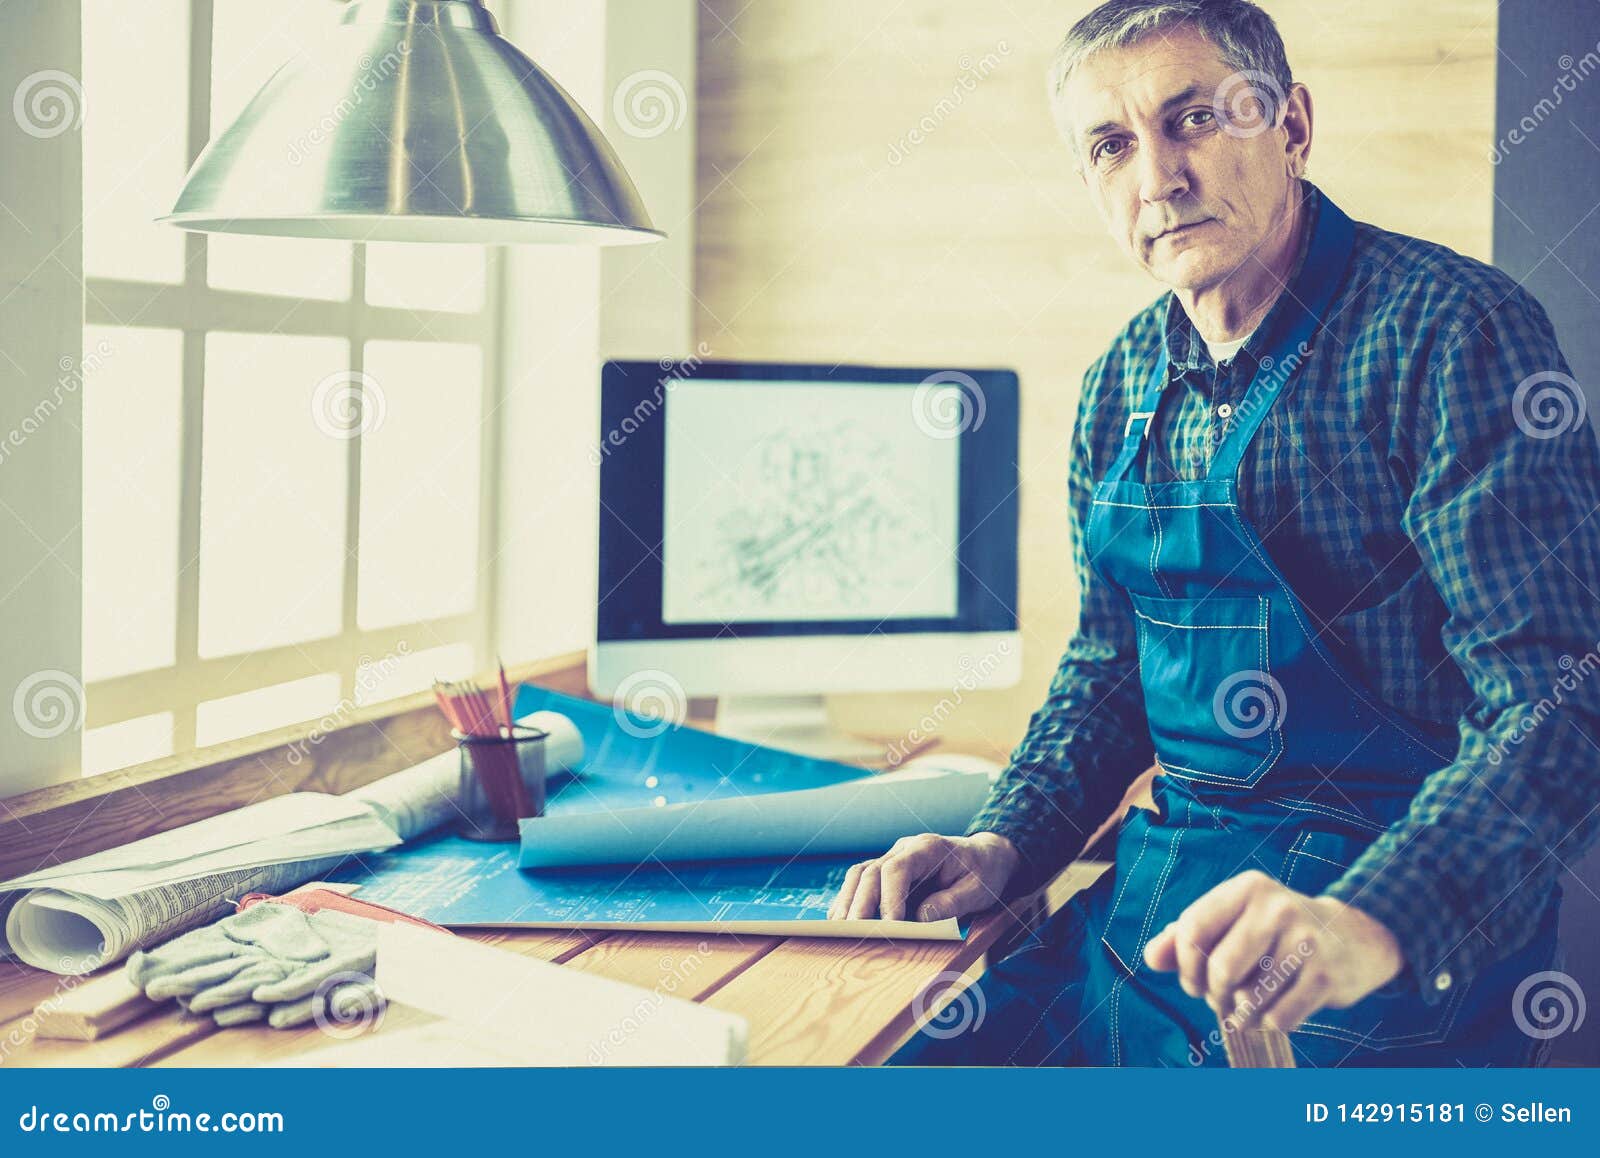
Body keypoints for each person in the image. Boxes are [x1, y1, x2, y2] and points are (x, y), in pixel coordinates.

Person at [829, 0, 1600, 1067]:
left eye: (1192, 119)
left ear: (1290, 126)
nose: (1157, 176)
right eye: (1111, 145)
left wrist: (1366, 922)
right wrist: (1006, 841)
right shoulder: (1117, 387)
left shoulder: (1453, 335)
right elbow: (1109, 669)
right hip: (1156, 912)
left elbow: (1557, 703)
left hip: (1379, 945)